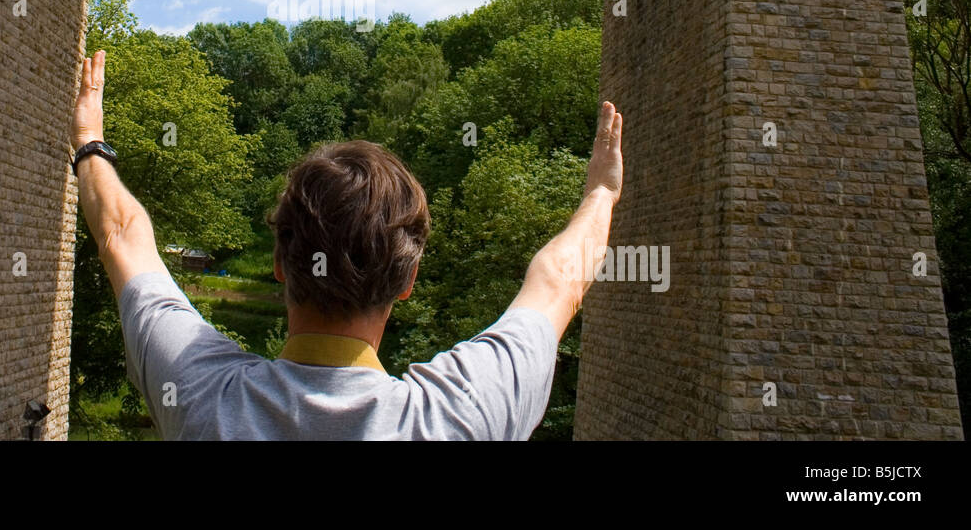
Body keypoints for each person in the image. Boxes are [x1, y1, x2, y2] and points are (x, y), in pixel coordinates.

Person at [70, 49, 623, 440]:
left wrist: (90, 143)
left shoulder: (200, 395)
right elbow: (559, 283)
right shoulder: (464, 415)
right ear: (407, 281)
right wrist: (601, 194)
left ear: (281, 266)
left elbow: (122, 237)